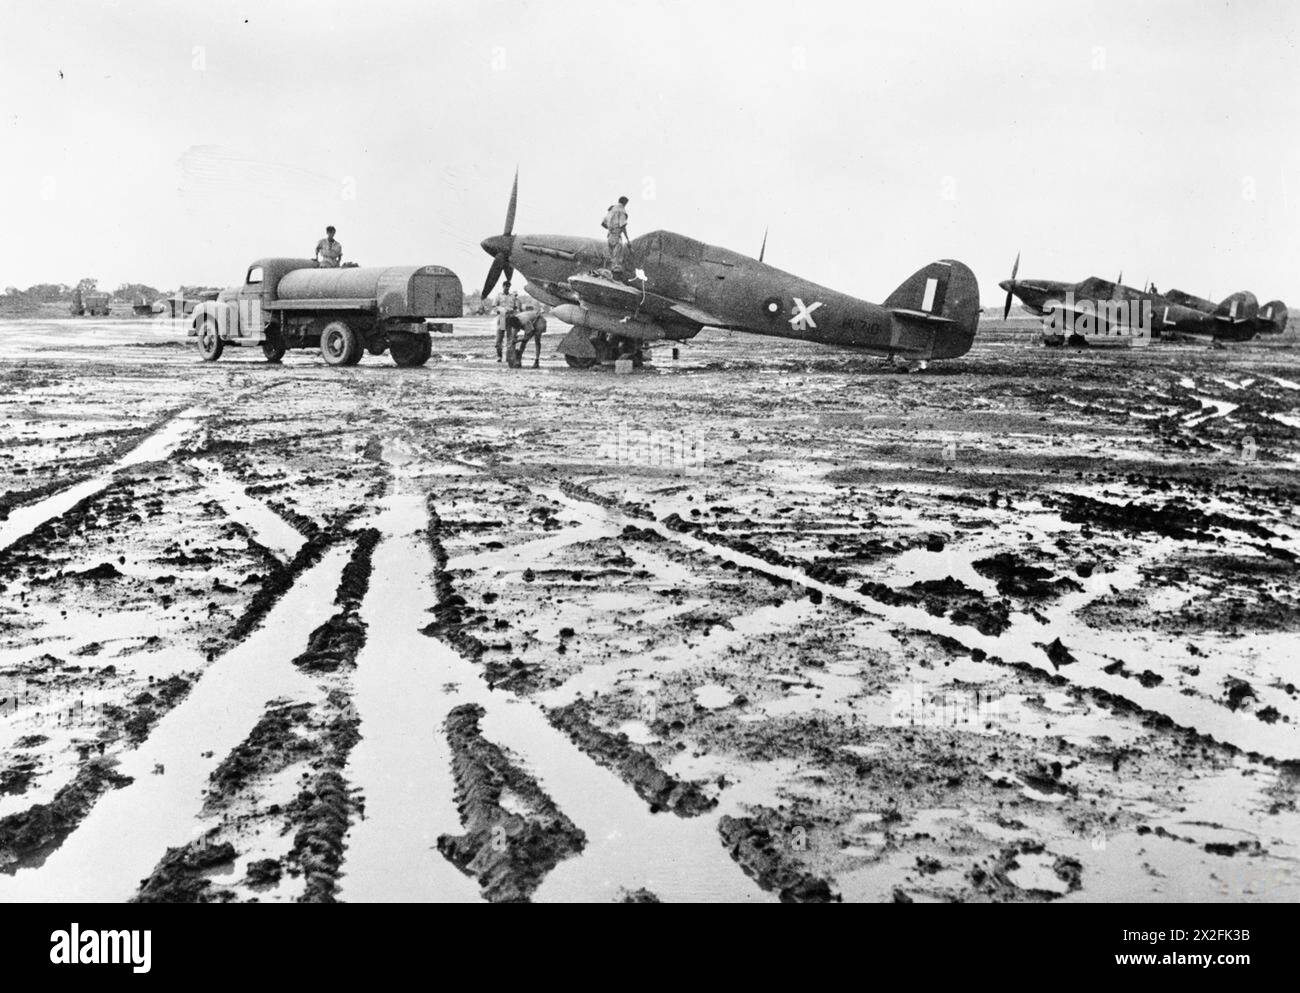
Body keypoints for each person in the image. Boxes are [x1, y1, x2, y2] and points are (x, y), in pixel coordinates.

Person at [601, 196, 629, 274]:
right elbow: (623, 226)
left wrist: (611, 228)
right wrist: (627, 239)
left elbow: (603, 224)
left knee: (611, 258)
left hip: (610, 236)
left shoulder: (612, 210)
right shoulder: (622, 210)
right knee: (617, 262)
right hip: (616, 236)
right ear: (625, 203)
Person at [494, 282, 520, 361]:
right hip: (502, 317)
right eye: (506, 286)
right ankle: (499, 356)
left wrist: (514, 313)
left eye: (508, 286)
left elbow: (516, 307)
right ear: (503, 286)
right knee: (499, 338)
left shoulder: (512, 296)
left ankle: (508, 356)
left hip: (510, 317)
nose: (507, 288)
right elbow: (494, 306)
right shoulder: (499, 296)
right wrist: (498, 311)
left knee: (510, 338)